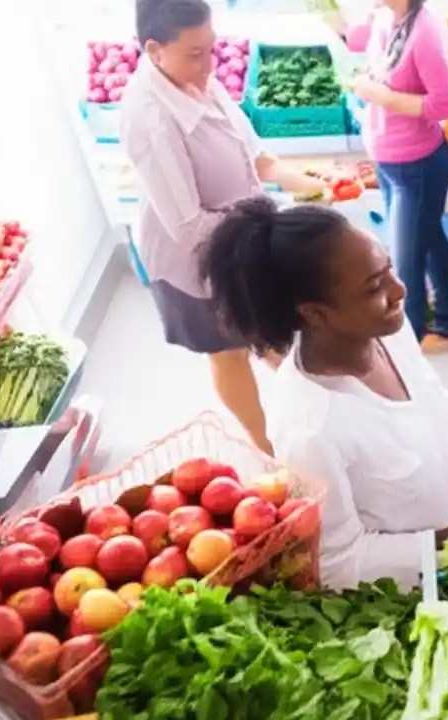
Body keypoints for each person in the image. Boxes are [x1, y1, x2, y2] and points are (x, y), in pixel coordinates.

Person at [198, 197, 448, 590]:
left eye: (389, 268)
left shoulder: (388, 331)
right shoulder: (310, 428)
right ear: (314, 313)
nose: (400, 289)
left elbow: (437, 403)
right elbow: (340, 563)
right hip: (410, 597)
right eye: (375, 286)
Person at [120, 0, 327, 453]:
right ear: (155, 50)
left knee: (271, 333)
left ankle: (322, 418)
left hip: (245, 235)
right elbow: (190, 226)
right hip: (195, 259)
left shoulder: (199, 78)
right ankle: (266, 446)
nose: (209, 63)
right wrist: (270, 229)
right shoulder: (149, 118)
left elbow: (253, 153)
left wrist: (305, 180)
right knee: (229, 348)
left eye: (212, 49)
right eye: (195, 53)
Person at [335, 0, 448, 353]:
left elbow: (446, 104)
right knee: (431, 239)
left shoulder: (424, 32)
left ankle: (410, 346)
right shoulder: (384, 18)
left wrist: (384, 97)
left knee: (404, 262)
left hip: (417, 167)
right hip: (389, 160)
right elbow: (352, 37)